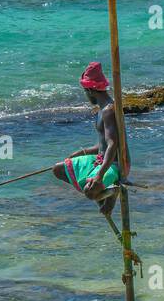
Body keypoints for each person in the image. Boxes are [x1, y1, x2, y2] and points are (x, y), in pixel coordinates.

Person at [52, 61, 124, 218]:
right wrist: (82, 152)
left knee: (89, 193)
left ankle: (112, 192)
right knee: (58, 169)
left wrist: (100, 175)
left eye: (85, 91)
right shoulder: (102, 108)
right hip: (100, 159)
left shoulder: (108, 110)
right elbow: (103, 144)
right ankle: (102, 192)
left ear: (90, 90)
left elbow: (113, 144)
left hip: (113, 164)